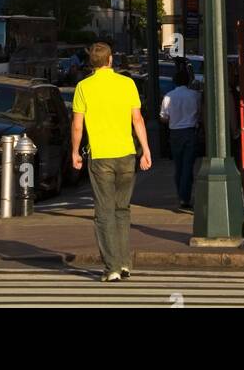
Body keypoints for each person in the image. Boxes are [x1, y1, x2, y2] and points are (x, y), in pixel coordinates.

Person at [71, 42, 151, 283]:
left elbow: (77, 124)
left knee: (104, 212)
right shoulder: (127, 84)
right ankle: (125, 262)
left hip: (101, 156)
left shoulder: (83, 87)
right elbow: (137, 119)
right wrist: (145, 150)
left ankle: (112, 267)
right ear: (110, 60)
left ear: (91, 63)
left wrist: (74, 151)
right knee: (122, 210)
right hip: (126, 154)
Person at [160, 67, 202, 211]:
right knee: (188, 166)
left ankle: (181, 195)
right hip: (190, 131)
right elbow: (200, 112)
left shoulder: (168, 96)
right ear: (189, 81)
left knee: (178, 166)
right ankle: (185, 196)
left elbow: (164, 118)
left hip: (175, 132)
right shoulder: (195, 95)